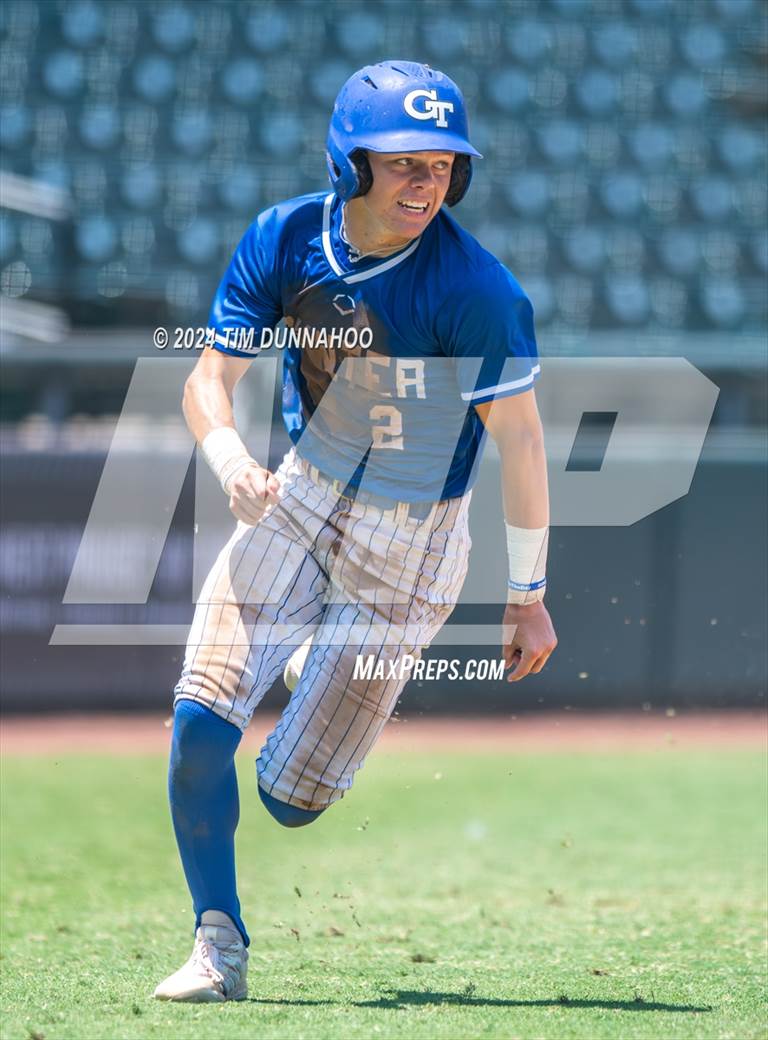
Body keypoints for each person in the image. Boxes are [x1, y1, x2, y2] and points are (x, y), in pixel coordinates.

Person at [153, 60, 557, 1003]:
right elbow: (206, 378)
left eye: (442, 165)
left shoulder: (477, 290)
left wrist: (530, 595)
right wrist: (230, 464)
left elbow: (525, 446)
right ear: (350, 160)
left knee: (290, 801)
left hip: (411, 539)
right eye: (403, 163)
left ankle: (318, 671)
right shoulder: (284, 237)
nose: (427, 184)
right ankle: (219, 943)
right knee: (198, 723)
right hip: (299, 492)